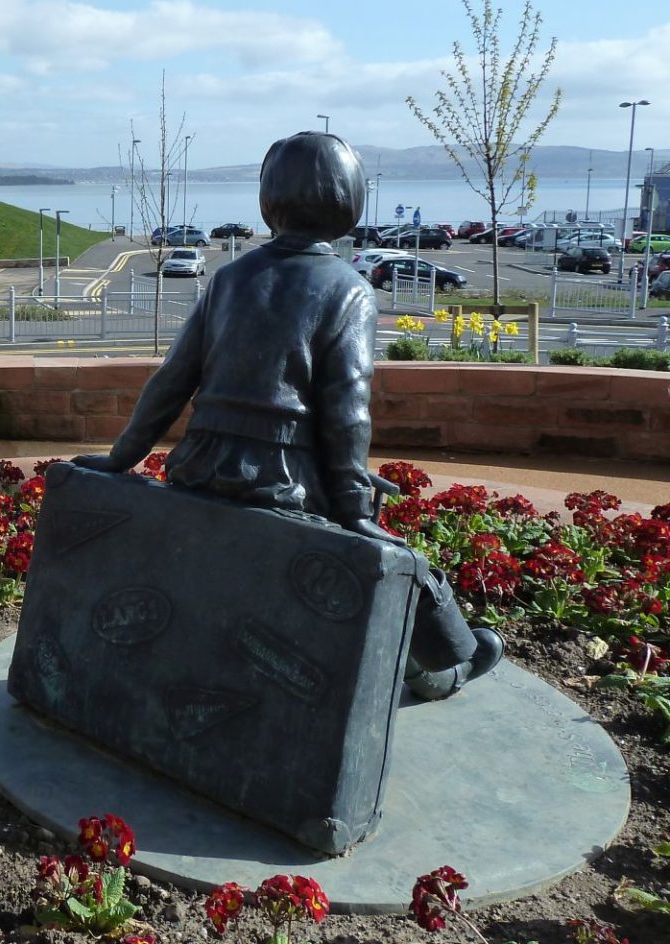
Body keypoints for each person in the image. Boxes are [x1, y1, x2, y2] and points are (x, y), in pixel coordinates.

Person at [75, 131, 501, 700]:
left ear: (267, 200)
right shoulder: (349, 290)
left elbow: (172, 379)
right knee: (395, 560)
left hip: (201, 466)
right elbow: (347, 411)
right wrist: (353, 502)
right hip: (283, 483)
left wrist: (123, 456)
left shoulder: (229, 278)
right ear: (352, 202)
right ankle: (445, 666)